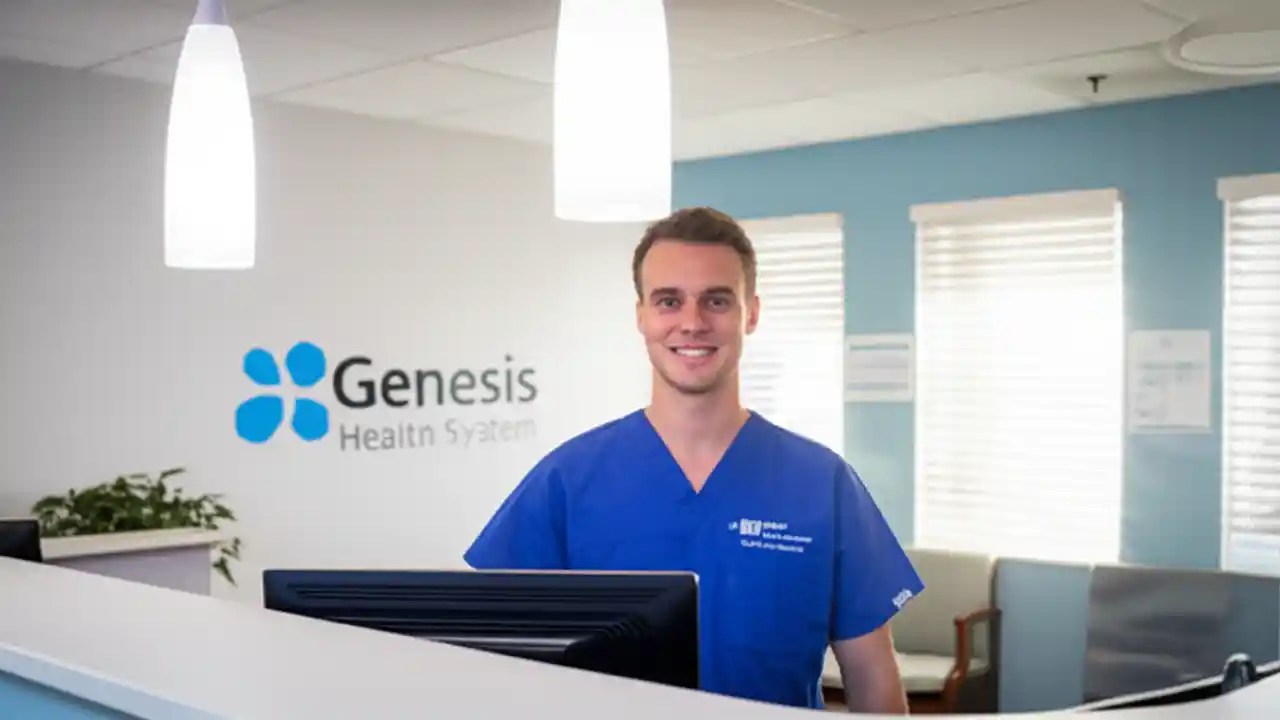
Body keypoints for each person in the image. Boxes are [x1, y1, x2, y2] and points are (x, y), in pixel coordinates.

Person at [465, 207, 924, 712]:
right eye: (668, 301)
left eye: (716, 300)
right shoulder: (567, 480)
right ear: (641, 315)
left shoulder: (822, 482)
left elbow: (870, 672)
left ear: (751, 312)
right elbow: (499, 665)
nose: (692, 322)